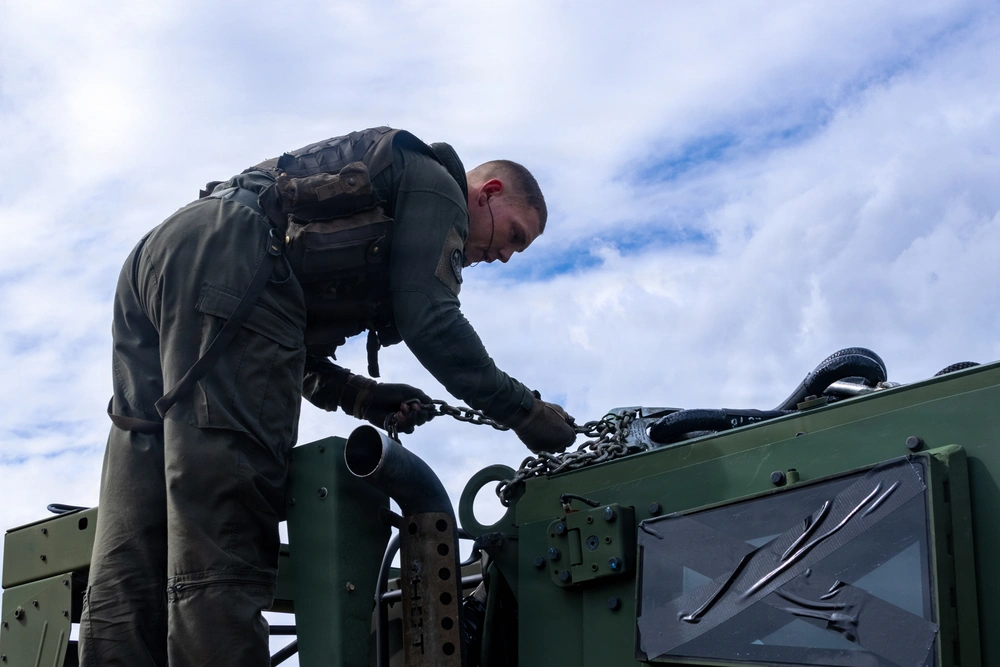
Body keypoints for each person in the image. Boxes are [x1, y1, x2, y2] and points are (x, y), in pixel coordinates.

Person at [78, 127, 576, 666]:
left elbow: (280, 346)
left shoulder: (383, 195)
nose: (505, 256)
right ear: (488, 193)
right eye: (514, 236)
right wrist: (525, 411)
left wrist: (364, 396)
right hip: (233, 259)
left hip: (165, 254)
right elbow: (432, 321)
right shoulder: (439, 188)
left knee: (137, 505)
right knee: (225, 517)